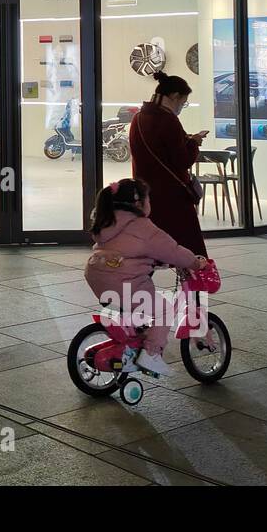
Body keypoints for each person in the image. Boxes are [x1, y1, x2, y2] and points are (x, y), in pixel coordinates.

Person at [85, 178, 210, 377]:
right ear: (138, 203)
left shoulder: (108, 219)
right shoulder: (142, 226)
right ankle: (151, 355)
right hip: (124, 281)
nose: (150, 203)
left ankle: (130, 343)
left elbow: (127, 249)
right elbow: (172, 250)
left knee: (135, 305)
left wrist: (151, 260)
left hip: (98, 276)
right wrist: (195, 262)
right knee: (164, 311)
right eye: (148, 199)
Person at [127, 71, 208, 256]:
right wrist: (194, 143)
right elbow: (182, 161)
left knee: (150, 248)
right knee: (188, 248)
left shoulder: (138, 118)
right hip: (173, 196)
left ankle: (136, 281)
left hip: (146, 193)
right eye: (183, 102)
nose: (181, 106)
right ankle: (196, 283)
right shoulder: (168, 119)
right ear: (174, 96)